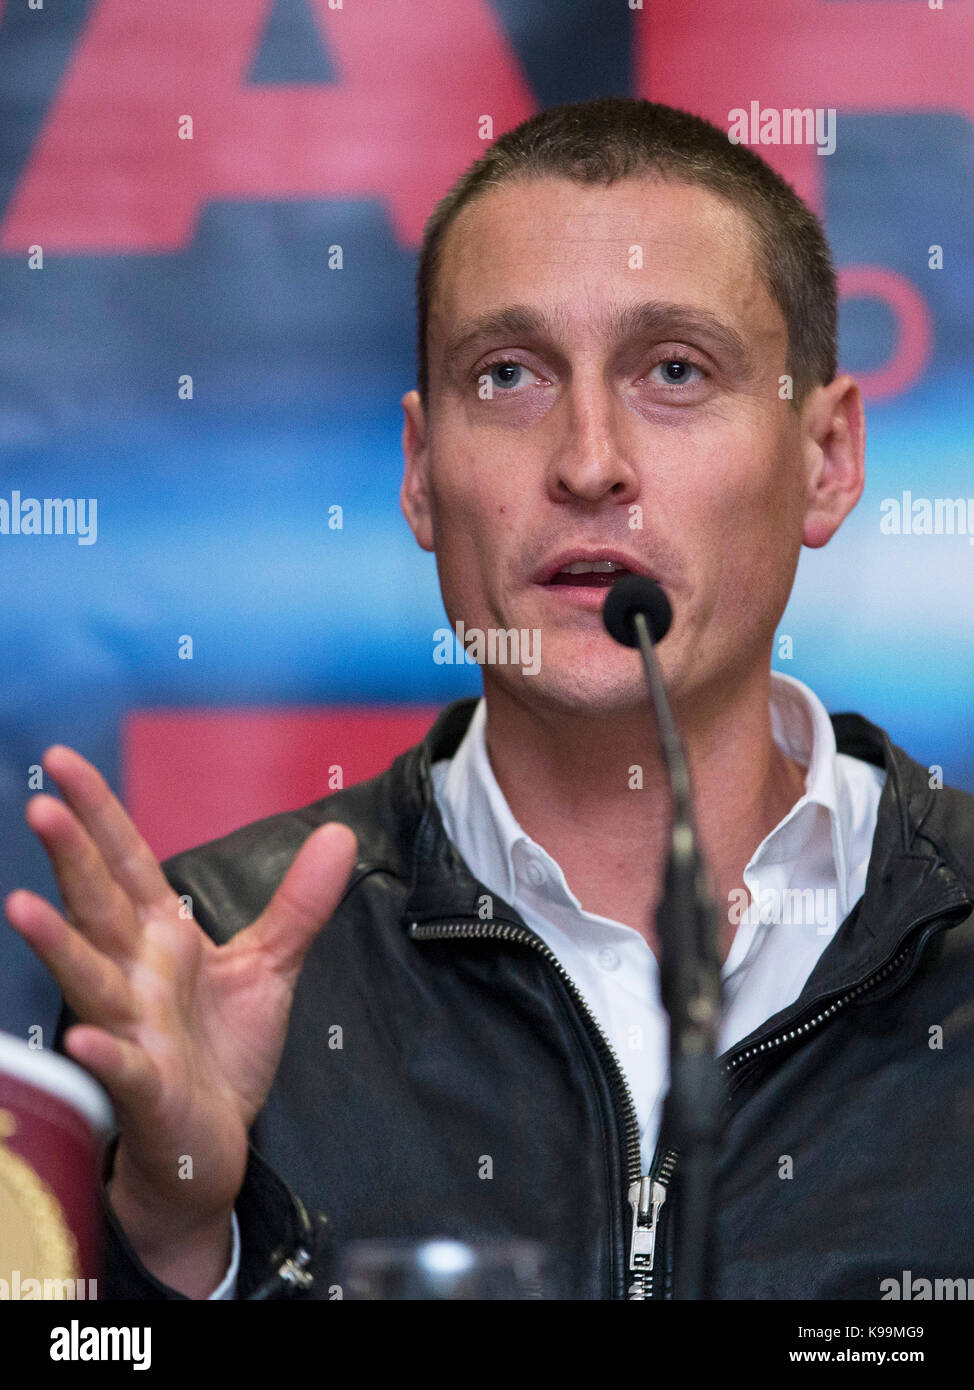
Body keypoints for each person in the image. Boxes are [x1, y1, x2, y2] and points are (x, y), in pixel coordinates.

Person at [6, 97, 974, 1302]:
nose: (585, 460)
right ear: (420, 474)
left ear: (824, 460)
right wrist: (176, 1233)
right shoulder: (212, 953)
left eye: (673, 370)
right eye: (507, 375)